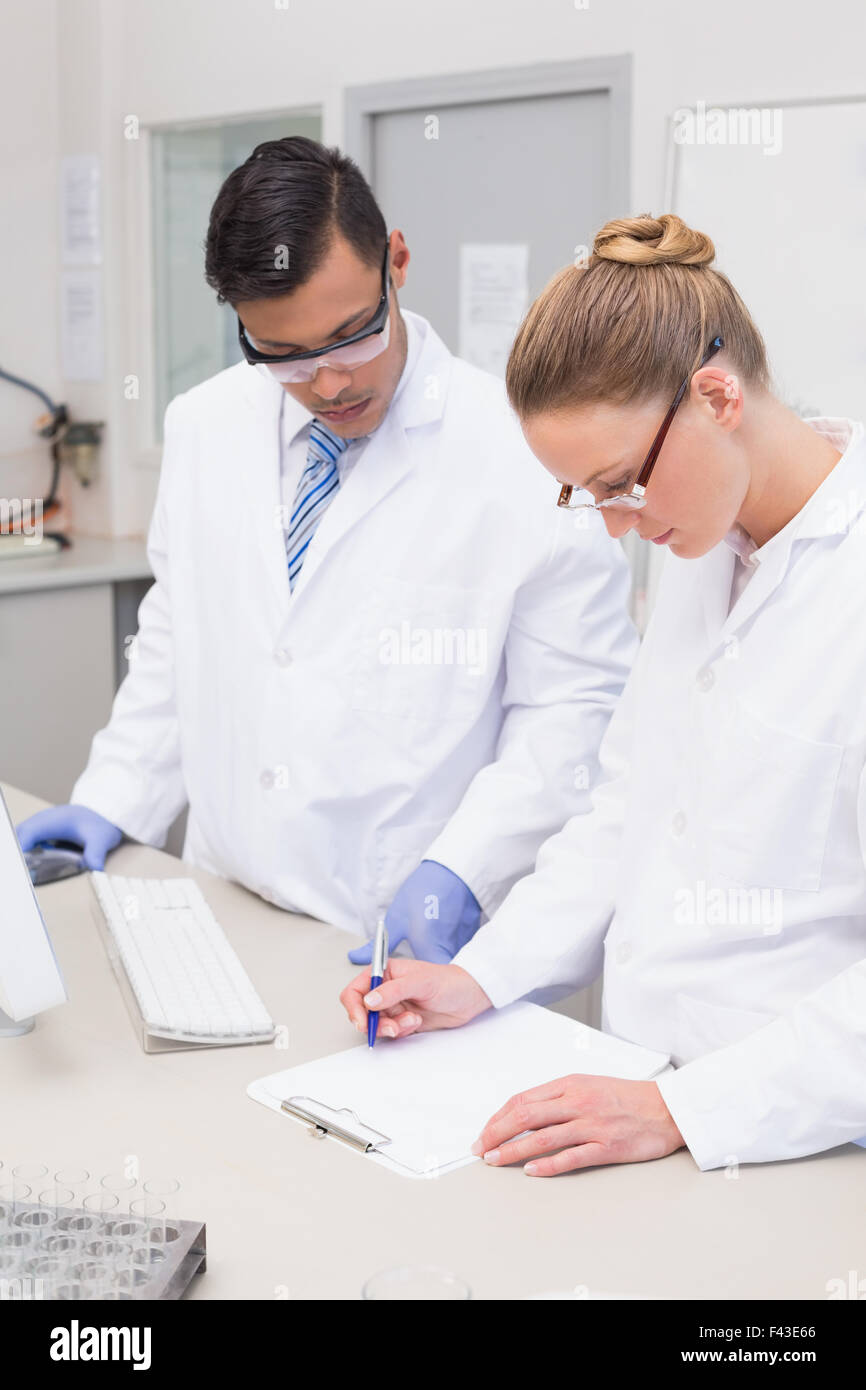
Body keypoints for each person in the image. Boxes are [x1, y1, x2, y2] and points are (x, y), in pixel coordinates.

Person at [17, 138, 637, 964]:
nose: (333, 383)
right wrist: (116, 795)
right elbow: (176, 634)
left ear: (398, 263)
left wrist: (463, 868)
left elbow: (574, 708)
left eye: (353, 336)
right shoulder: (203, 425)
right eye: (285, 357)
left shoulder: (523, 453)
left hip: (392, 935)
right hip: (222, 901)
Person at [341, 212, 866, 1172]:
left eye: (622, 485)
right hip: (638, 1096)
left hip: (800, 1144)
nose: (617, 529)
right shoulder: (705, 543)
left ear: (717, 396)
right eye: (590, 497)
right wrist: (482, 977)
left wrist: (685, 1109)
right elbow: (628, 811)